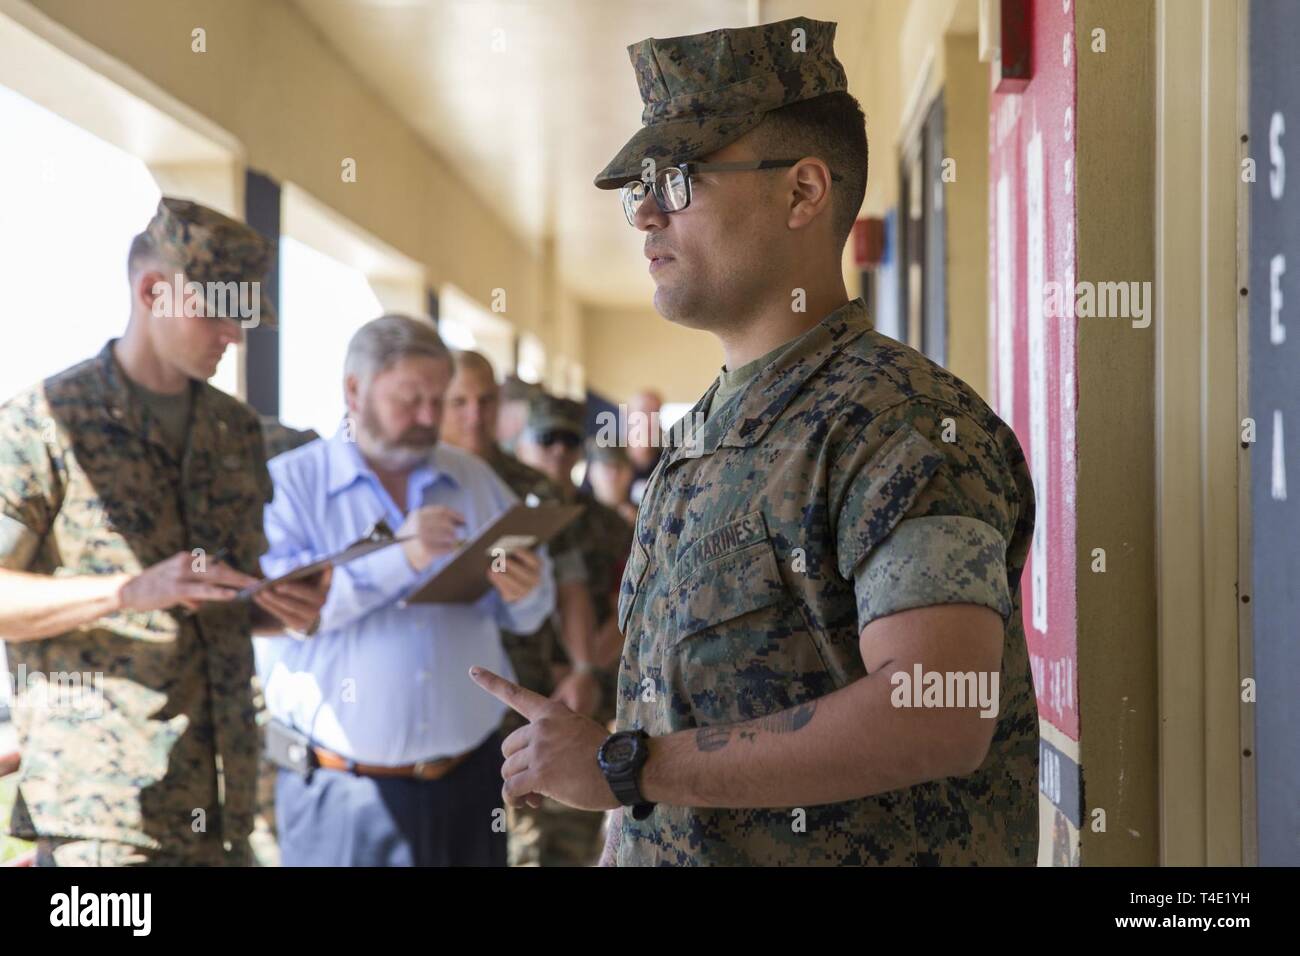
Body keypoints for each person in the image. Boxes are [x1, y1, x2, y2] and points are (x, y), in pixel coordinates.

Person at [472, 15, 1038, 867]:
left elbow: (936, 708)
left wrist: (628, 766)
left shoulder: (896, 422)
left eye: (681, 178)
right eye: (643, 186)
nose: (647, 214)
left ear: (803, 193)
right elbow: (662, 712)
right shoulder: (703, 435)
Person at [0, 197, 329, 866]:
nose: (235, 338)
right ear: (154, 291)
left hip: (229, 797)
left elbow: (218, 598)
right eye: (221, 314)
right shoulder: (42, 422)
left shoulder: (236, 432)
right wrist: (130, 589)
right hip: (104, 812)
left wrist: (277, 608)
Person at [257, 315, 553, 867]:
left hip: (469, 785)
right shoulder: (289, 485)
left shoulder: (474, 479)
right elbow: (292, 611)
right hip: (342, 797)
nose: (427, 418)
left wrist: (525, 591)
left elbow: (530, 616)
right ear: (353, 389)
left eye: (437, 401)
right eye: (409, 399)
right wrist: (402, 557)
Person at [441, 351, 603, 866]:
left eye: (486, 399)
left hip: (528, 694)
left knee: (542, 844)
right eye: (459, 401)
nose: (474, 413)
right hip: (445, 710)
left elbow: (572, 583)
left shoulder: (533, 488)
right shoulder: (416, 482)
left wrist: (581, 668)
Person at [513, 396, 633, 864]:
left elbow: (629, 609)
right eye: (547, 439)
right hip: (511, 706)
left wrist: (582, 673)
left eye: (569, 440)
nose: (559, 451)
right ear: (524, 444)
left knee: (570, 838)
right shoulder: (508, 512)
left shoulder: (606, 524)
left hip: (584, 705)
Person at [585, 439, 638, 525]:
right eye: (606, 467)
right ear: (590, 473)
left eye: (619, 467)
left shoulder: (645, 515)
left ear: (630, 472)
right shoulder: (578, 516)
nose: (614, 475)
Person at [625, 390, 663, 505]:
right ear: (628, 415)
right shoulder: (608, 459)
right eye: (643, 412)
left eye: (655, 413)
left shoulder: (668, 461)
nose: (649, 420)